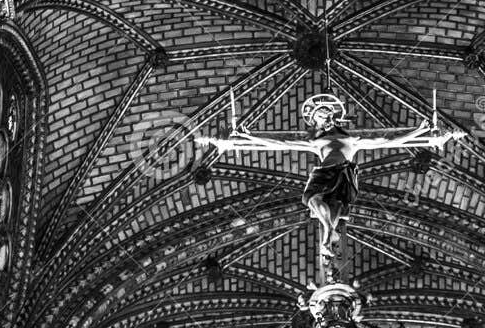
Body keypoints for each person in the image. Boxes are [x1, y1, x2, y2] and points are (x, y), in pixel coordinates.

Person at [196, 94, 464, 263]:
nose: (318, 119)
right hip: (326, 173)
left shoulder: (352, 140)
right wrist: (248, 136)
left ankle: (329, 236)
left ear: (331, 116)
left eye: (321, 115)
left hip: (345, 173)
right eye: (315, 117)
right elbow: (280, 144)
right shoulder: (317, 142)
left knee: (324, 207)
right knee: (312, 199)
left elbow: (388, 140)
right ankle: (330, 234)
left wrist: (418, 131)